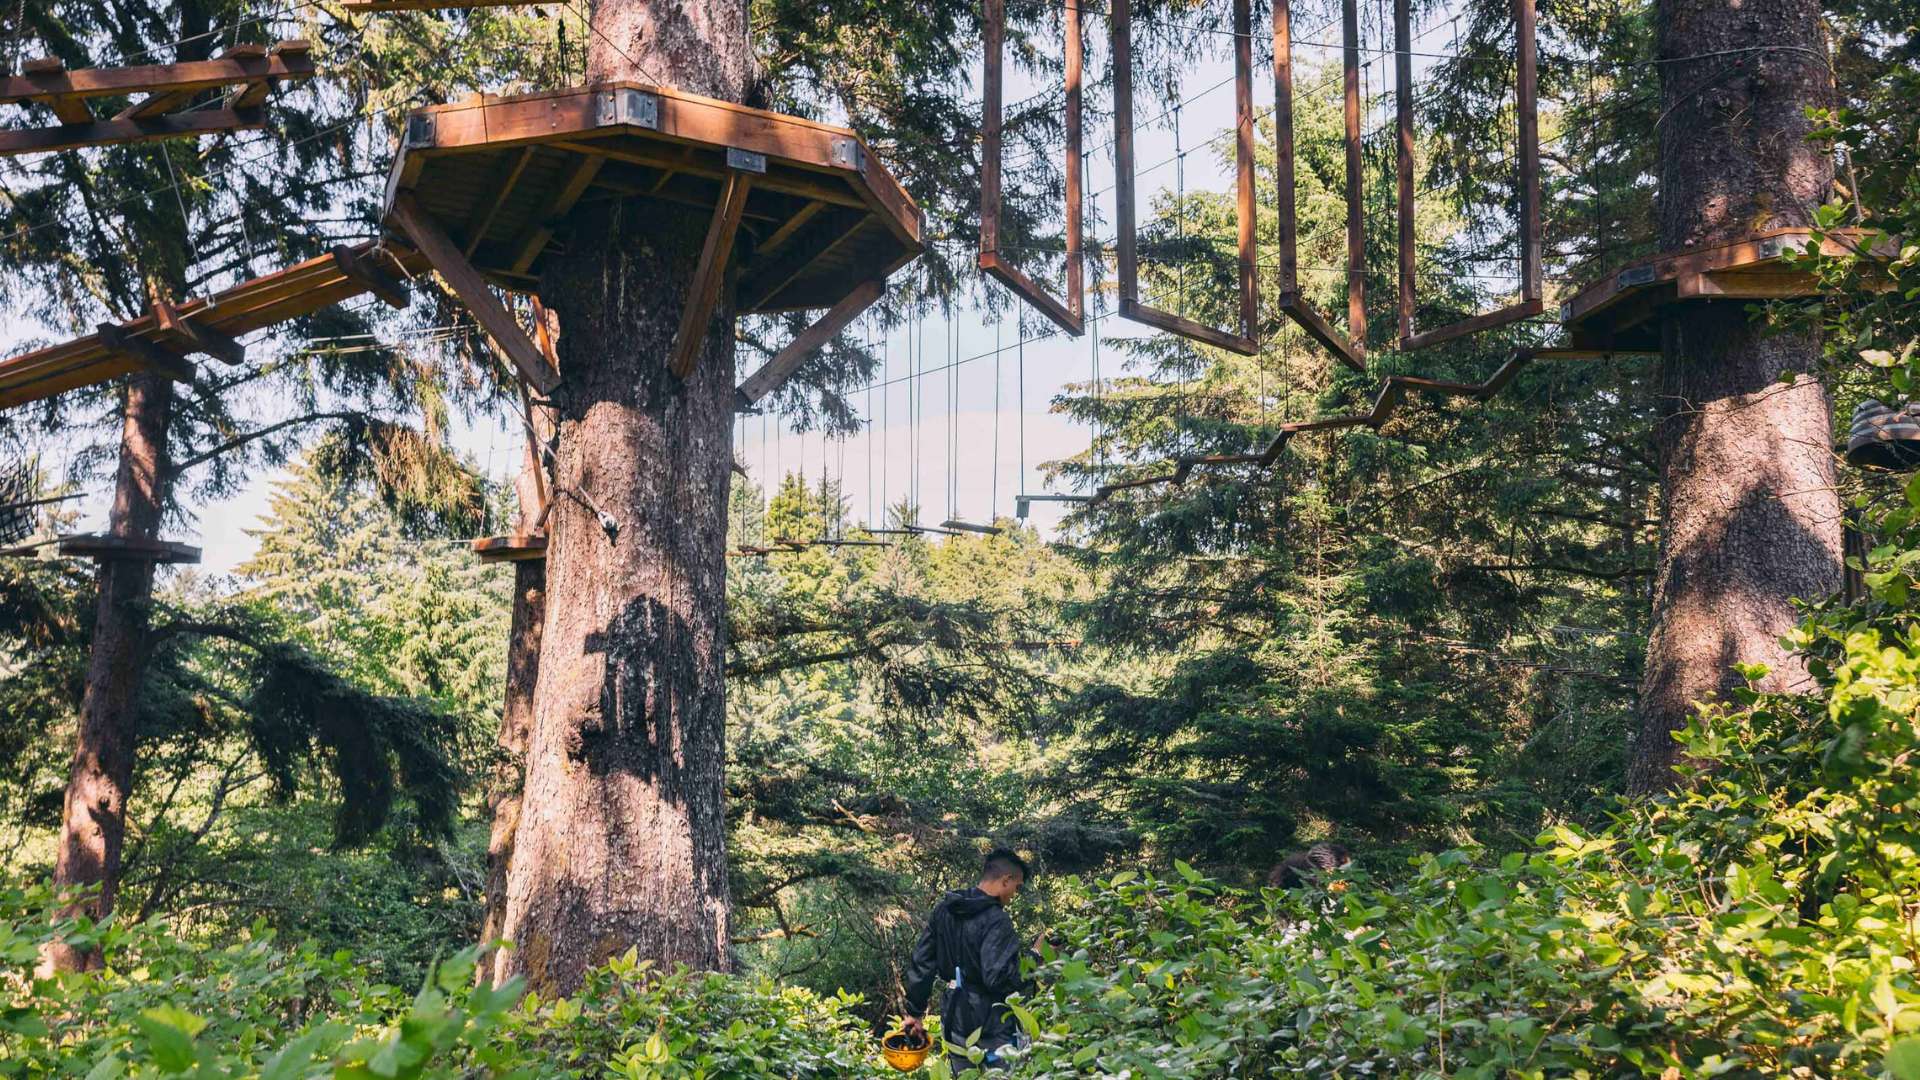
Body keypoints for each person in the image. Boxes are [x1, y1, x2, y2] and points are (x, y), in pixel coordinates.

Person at [901, 848, 1036, 1073]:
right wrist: (1035, 958)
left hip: (955, 1018)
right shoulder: (997, 920)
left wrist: (914, 1013)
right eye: (1017, 887)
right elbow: (998, 977)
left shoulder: (945, 910)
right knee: (1000, 1076)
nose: (1015, 894)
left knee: (965, 1075)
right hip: (991, 1024)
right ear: (1006, 880)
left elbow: (922, 962)